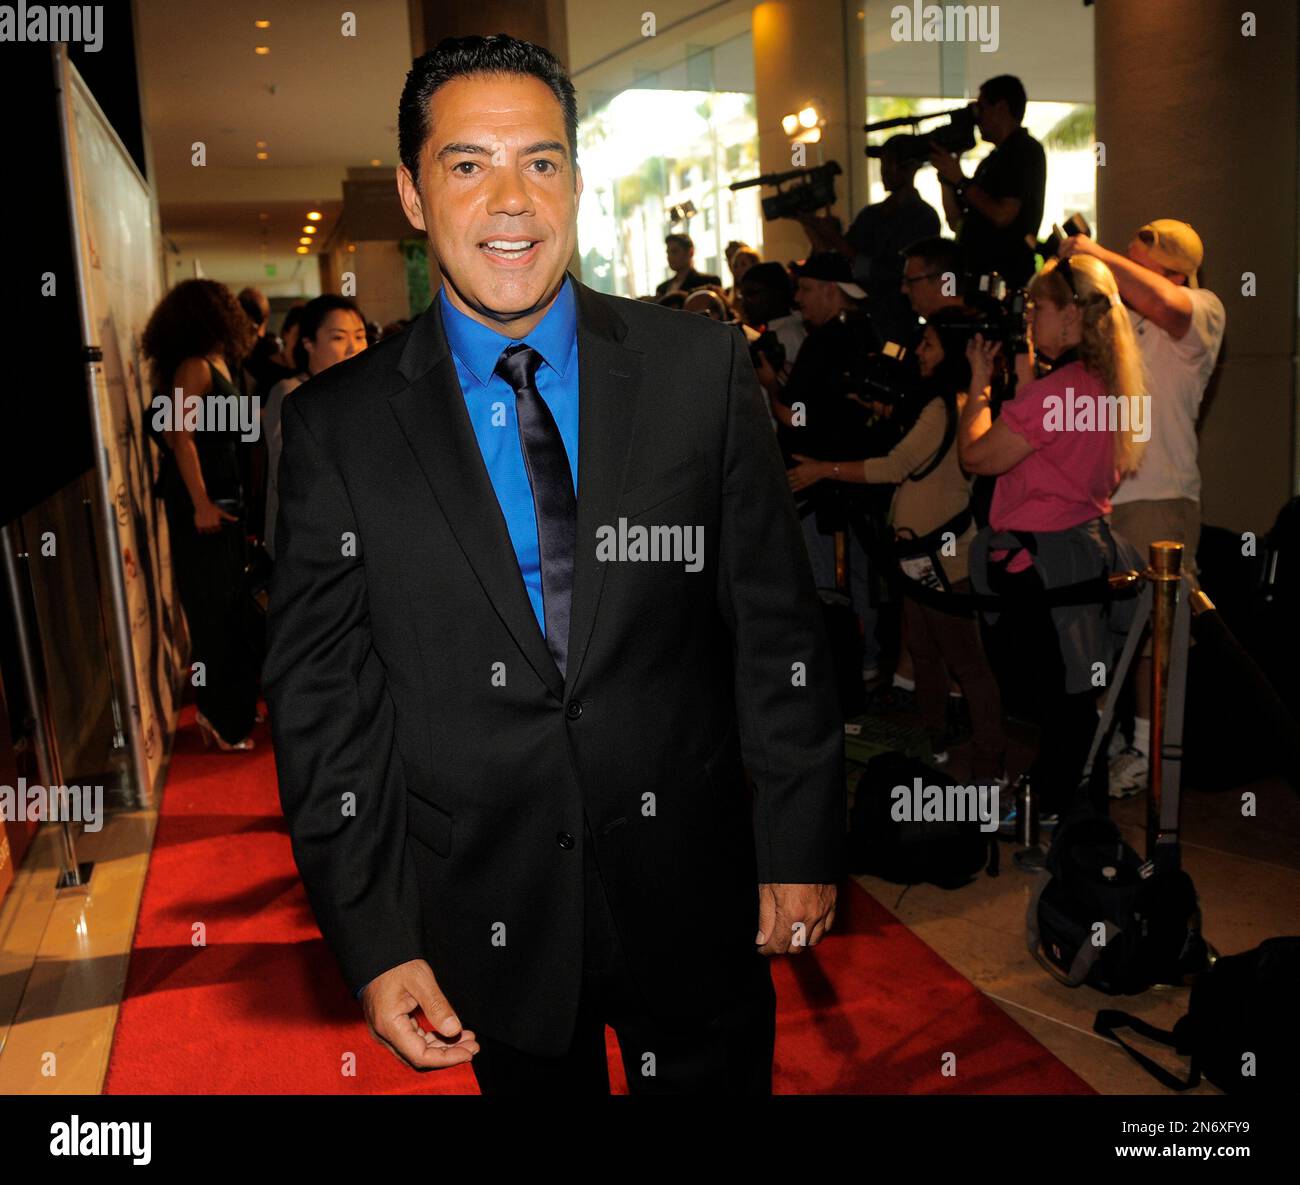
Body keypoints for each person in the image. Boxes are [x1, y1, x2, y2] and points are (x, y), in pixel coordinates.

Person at [263, 32, 842, 1096]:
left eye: (539, 162)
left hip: (694, 884)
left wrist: (797, 835)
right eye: (467, 166)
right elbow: (323, 703)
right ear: (411, 191)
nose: (512, 202)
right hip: (483, 903)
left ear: (576, 179)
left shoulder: (695, 370)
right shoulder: (337, 430)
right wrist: (377, 936)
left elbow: (775, 623)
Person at [958, 254, 1146, 827]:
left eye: (1038, 307)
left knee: (1050, 697)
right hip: (1085, 551)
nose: (1029, 316)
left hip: (1041, 565)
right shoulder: (1106, 386)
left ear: (1070, 316)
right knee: (1074, 689)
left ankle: (1052, 806)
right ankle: (1064, 802)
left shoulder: (1055, 395)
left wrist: (978, 387)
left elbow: (976, 457)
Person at [786, 307, 1006, 778]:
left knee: (966, 662)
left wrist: (822, 469)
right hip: (920, 556)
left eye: (929, 344)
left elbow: (892, 467)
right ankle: (932, 745)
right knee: (926, 654)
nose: (919, 353)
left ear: (953, 352)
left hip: (945, 559)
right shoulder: (943, 403)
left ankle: (990, 756)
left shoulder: (946, 406)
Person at [1059, 219, 1226, 798]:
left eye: (1143, 248)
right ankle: (1113, 743)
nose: (1131, 249)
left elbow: (1163, 302)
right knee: (1104, 632)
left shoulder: (1201, 307)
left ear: (1175, 266)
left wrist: (1095, 251)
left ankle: (1152, 754)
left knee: (1158, 636)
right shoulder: (1123, 312)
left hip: (1160, 495)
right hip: (1101, 496)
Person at [142, 278, 261, 752]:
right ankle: (218, 715)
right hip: (204, 510)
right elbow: (180, 437)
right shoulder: (193, 366)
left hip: (224, 507)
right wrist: (201, 504)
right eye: (226, 306)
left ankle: (229, 709)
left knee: (230, 610)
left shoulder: (216, 362)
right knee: (213, 612)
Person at [755, 251, 883, 678]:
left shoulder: (824, 341)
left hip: (820, 486)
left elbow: (799, 417)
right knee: (863, 579)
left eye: (807, 289)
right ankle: (869, 662)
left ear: (832, 291)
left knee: (827, 585)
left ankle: (841, 668)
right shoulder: (866, 332)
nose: (799, 299)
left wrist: (772, 388)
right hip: (861, 482)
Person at [800, 135, 941, 345]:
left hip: (895, 323)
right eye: (882, 163)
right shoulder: (871, 214)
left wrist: (835, 239)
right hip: (861, 319)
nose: (884, 170)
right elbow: (837, 261)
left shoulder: (922, 217)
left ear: (910, 168)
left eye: (890, 163)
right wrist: (808, 222)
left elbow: (894, 273)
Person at [262, 294, 369, 560]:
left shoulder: (365, 394)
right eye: (338, 337)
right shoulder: (290, 393)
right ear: (308, 343)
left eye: (359, 335)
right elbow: (288, 474)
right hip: (311, 550)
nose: (353, 347)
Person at [931, 75, 1046, 291]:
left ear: (1001, 108)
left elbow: (1003, 215)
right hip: (977, 277)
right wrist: (947, 177)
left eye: (981, 108)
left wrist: (960, 180)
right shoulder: (991, 161)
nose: (977, 118)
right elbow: (956, 222)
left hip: (1006, 279)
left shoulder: (1025, 150)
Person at [653, 231, 721, 296]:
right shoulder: (662, 288)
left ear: (690, 252)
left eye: (674, 251)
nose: (670, 257)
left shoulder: (709, 282)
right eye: (668, 252)